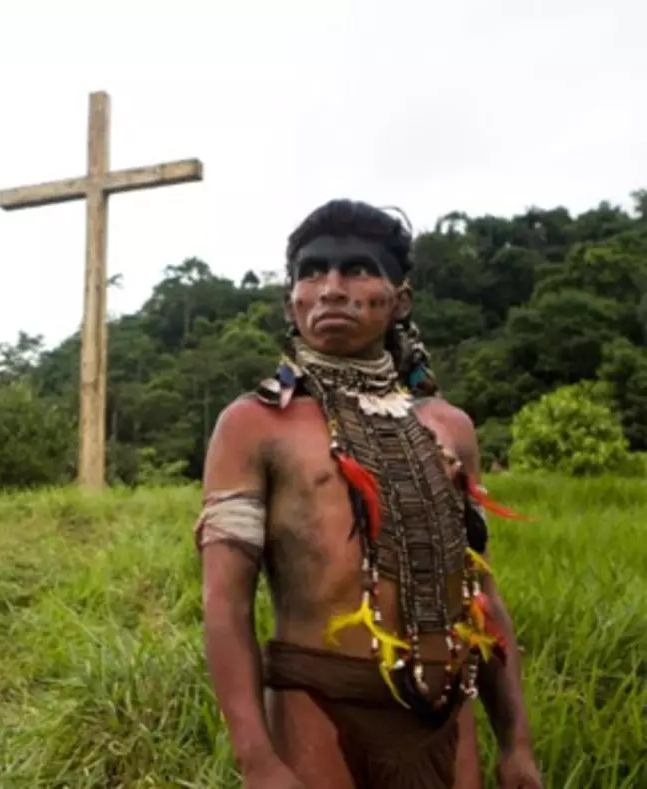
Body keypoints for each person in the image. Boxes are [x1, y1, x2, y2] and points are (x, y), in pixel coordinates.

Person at [195, 199, 542, 789]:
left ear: (400, 299)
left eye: (356, 269)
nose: (331, 287)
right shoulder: (253, 424)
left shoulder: (448, 426)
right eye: (311, 272)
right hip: (319, 705)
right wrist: (258, 761)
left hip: (446, 710)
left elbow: (479, 589)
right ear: (292, 301)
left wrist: (516, 744)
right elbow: (224, 602)